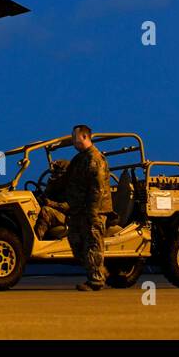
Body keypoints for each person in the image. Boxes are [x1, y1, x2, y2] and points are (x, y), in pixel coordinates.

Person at [63, 124, 112, 291]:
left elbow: (97, 188)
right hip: (79, 210)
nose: (72, 140)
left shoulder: (95, 159)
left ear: (84, 137)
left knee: (93, 244)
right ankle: (100, 271)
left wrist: (92, 212)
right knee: (76, 242)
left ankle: (96, 281)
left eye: (74, 136)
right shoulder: (80, 159)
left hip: (93, 211)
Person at [34, 159, 71, 239]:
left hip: (69, 218)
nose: (55, 174)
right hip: (57, 214)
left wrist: (51, 203)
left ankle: (38, 241)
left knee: (46, 211)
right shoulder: (54, 182)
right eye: (54, 172)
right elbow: (47, 195)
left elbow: (69, 206)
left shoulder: (73, 186)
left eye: (58, 172)